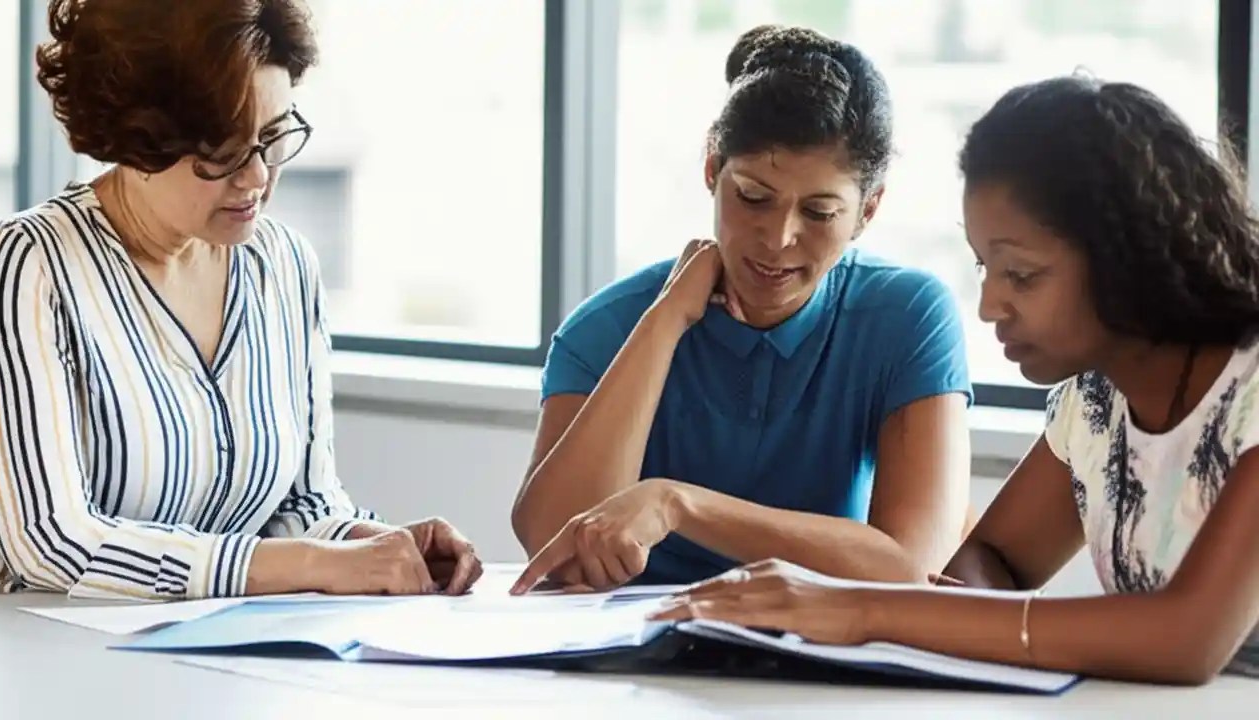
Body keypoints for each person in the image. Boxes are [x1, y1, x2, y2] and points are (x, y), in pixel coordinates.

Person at [653, 75, 1259, 685]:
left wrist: (860, 608)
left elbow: (1186, 639)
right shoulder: (1096, 402)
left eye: (1020, 275)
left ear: (1128, 260)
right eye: (984, 267)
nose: (990, 305)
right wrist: (943, 610)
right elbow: (989, 560)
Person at [0, 0, 481, 601]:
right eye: (222, 151)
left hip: (211, 662)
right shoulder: (26, 265)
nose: (257, 177)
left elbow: (303, 503)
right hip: (32, 659)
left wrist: (368, 542)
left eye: (271, 138)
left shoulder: (285, 265)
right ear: (137, 140)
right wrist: (313, 563)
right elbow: (50, 543)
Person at [510, 25, 973, 594]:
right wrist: (663, 324)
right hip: (633, 656)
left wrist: (678, 504)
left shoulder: (907, 316)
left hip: (816, 656)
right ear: (712, 170)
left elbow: (910, 566)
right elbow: (551, 542)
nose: (778, 239)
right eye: (753, 197)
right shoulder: (608, 323)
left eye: (821, 213)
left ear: (868, 211)